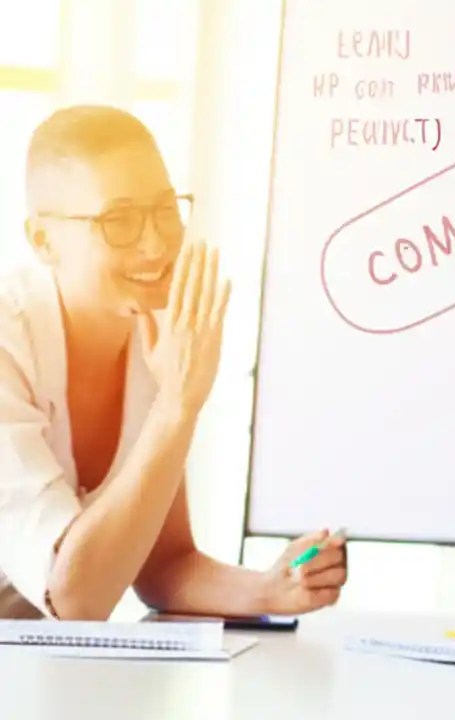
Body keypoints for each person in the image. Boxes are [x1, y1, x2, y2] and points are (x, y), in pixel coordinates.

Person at [0, 104, 348, 620]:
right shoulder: (10, 339)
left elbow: (163, 563)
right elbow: (74, 597)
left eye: (166, 209)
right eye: (119, 219)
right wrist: (177, 403)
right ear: (44, 242)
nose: (156, 242)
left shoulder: (155, 333)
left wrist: (269, 590)